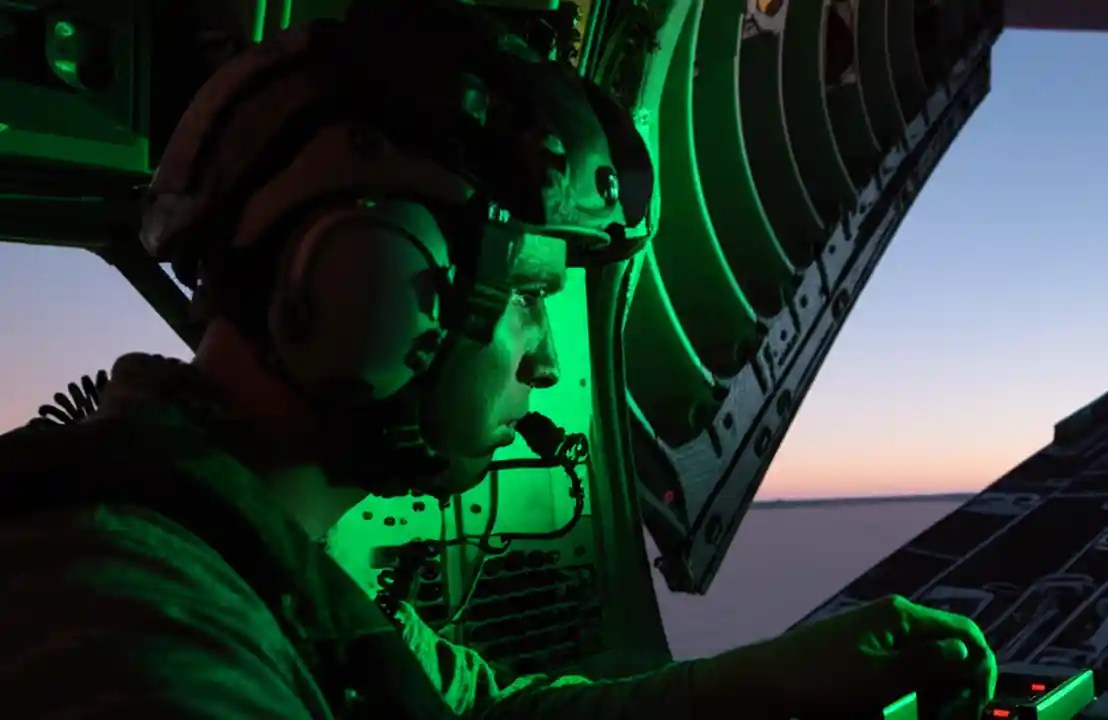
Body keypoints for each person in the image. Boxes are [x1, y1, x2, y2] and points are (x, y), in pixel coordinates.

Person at [0, 1, 997, 717]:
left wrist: (775, 678)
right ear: (370, 282)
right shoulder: (128, 626)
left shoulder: (253, 556)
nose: (545, 361)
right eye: (524, 295)